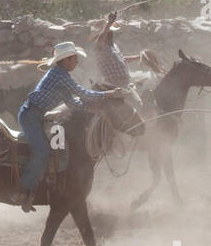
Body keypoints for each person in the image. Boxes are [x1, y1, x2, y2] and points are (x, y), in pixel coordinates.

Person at [13, 41, 121, 212]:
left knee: (52, 149)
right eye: (74, 58)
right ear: (65, 60)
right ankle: (22, 190)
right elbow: (82, 93)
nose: (77, 61)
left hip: (36, 116)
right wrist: (107, 94)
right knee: (42, 152)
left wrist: (92, 107)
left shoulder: (60, 76)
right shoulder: (60, 75)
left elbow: (74, 102)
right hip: (31, 117)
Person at [91, 11, 162, 90]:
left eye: (111, 31)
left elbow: (121, 60)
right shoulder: (99, 47)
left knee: (152, 78)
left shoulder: (113, 46)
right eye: (109, 31)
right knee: (138, 100)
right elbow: (101, 38)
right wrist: (109, 24)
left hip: (125, 81)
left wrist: (138, 57)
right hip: (115, 84)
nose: (111, 33)